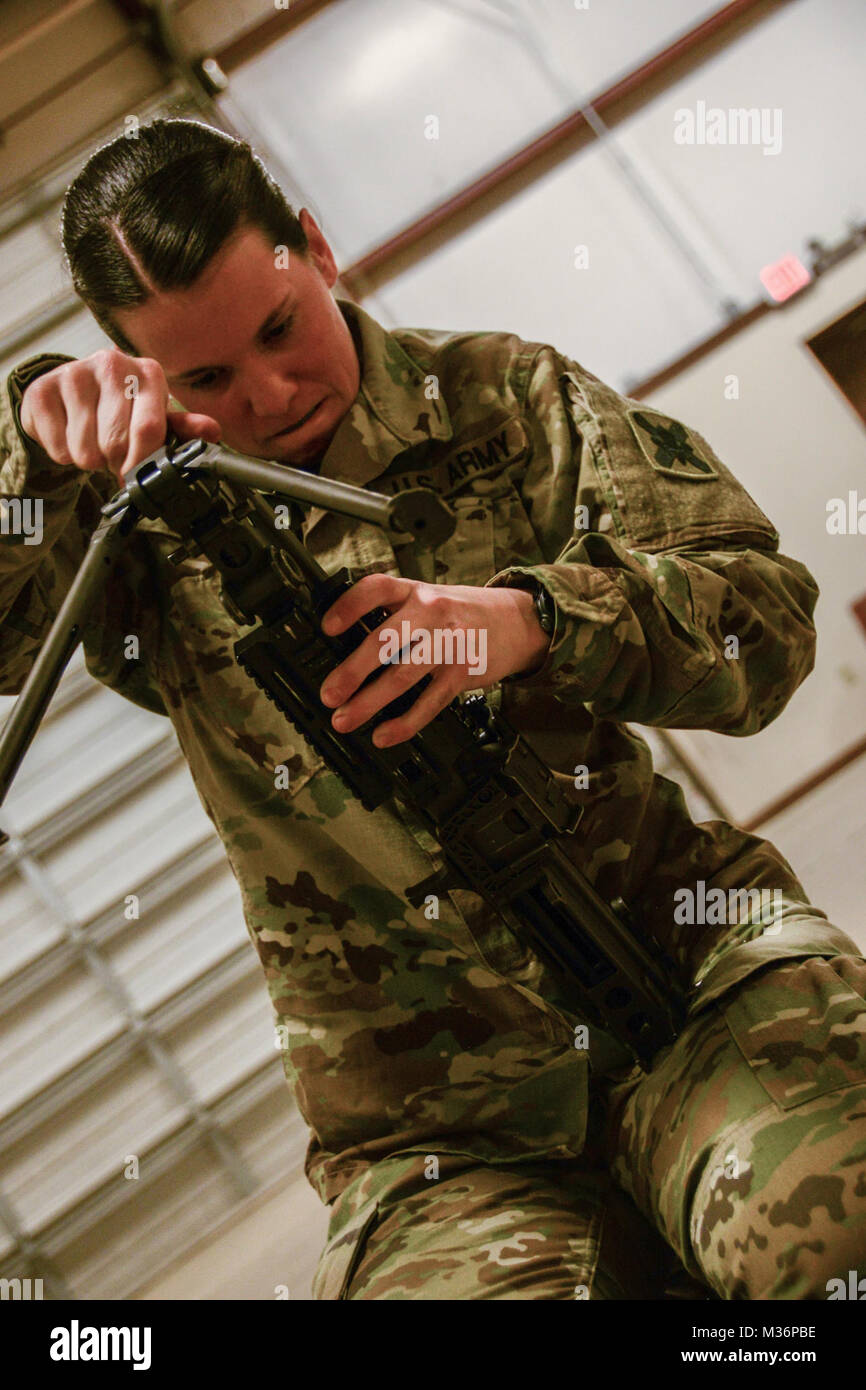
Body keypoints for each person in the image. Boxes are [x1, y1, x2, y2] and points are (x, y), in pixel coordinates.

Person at [2, 118, 865, 1301]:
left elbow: (762, 631)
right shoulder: (126, 521)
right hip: (436, 1134)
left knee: (829, 1238)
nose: (270, 393)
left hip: (687, 973)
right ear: (134, 367)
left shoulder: (504, 399)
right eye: (205, 378)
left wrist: (534, 619)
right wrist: (30, 449)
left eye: (279, 327)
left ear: (316, 247)